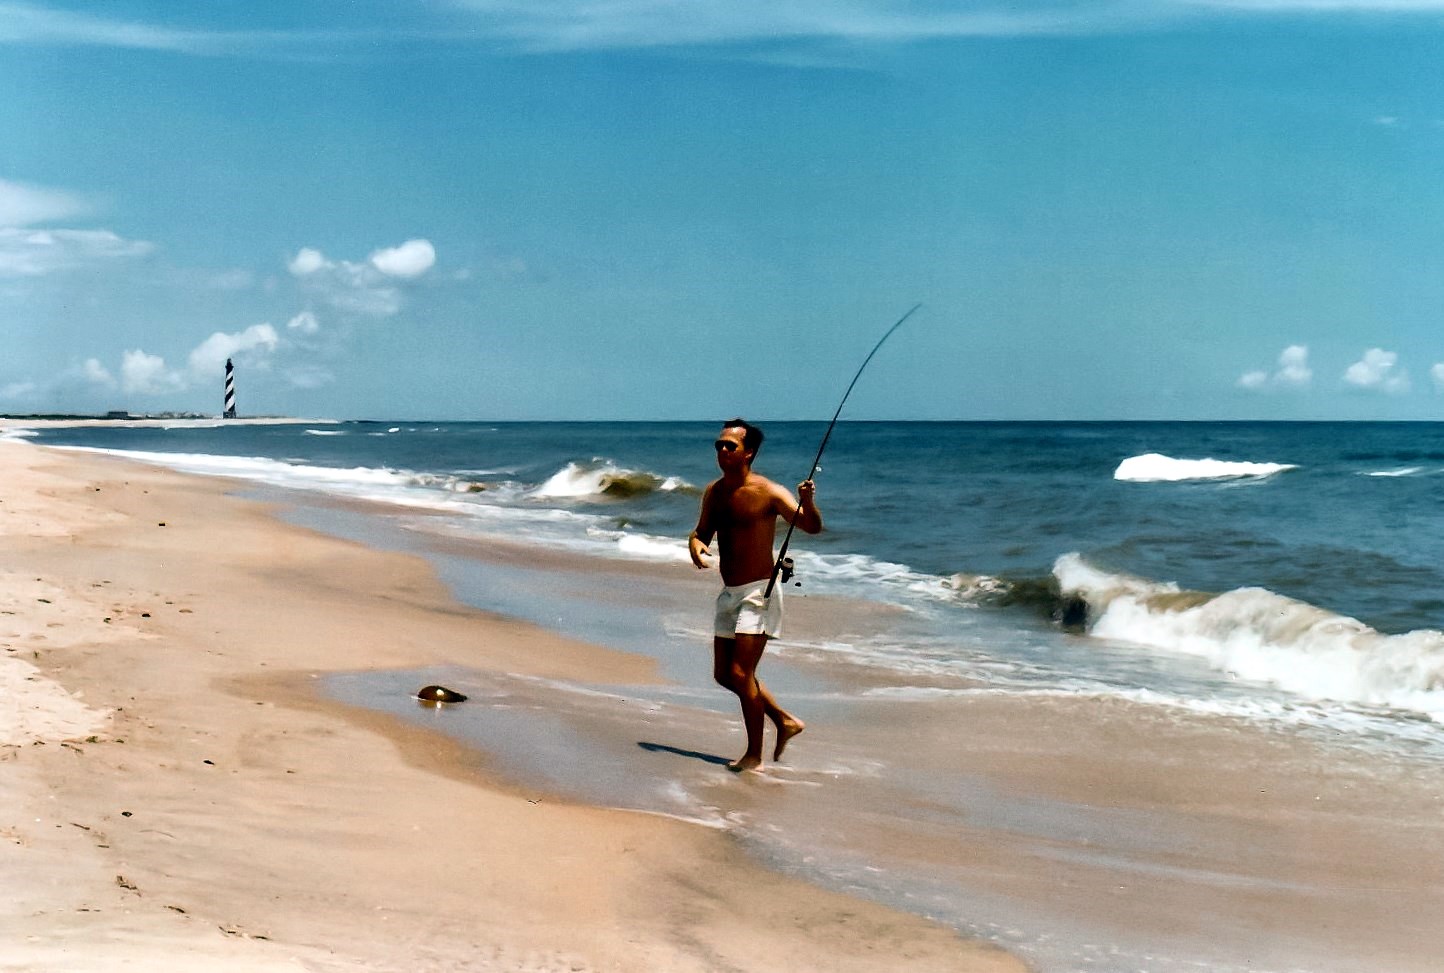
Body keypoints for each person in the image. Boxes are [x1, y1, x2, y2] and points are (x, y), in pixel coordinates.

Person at [688, 418, 822, 772]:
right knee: (723, 675)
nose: (721, 450)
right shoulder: (714, 493)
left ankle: (753, 756)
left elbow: (811, 527)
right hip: (729, 593)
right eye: (718, 445)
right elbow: (701, 533)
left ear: (748, 453)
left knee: (740, 672)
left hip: (758, 593)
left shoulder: (769, 492)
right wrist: (695, 547)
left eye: (729, 446)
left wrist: (807, 502)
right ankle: (783, 720)